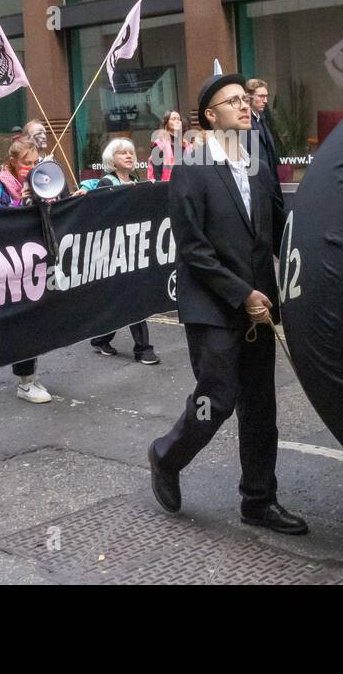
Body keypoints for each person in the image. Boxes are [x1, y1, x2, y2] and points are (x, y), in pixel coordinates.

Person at [147, 72, 307, 535]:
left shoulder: (257, 161)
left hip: (260, 302)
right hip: (214, 306)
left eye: (246, 99)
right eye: (232, 100)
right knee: (217, 397)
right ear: (210, 116)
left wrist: (304, 262)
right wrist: (242, 294)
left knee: (261, 406)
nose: (244, 105)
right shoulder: (190, 166)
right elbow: (193, 248)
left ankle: (259, 500)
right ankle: (166, 455)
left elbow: (277, 225)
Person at [0, 139, 53, 404]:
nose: (32, 168)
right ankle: (25, 381)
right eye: (26, 163)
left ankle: (30, 375)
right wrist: (17, 206)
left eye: (36, 163)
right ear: (12, 162)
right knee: (24, 322)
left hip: (36, 261)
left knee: (36, 319)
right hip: (9, 265)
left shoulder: (42, 180)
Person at [89, 139, 159, 365]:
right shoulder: (105, 183)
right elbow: (100, 217)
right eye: (122, 154)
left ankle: (101, 338)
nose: (129, 156)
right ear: (112, 159)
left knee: (125, 297)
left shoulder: (138, 181)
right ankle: (143, 349)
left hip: (135, 248)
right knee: (133, 296)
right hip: (114, 251)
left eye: (130, 152)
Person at [246, 78, 281, 185]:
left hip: (269, 179)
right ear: (249, 97)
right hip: (257, 182)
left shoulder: (263, 117)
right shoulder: (245, 122)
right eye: (261, 96)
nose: (265, 101)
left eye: (266, 96)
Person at [147, 111, 191, 183]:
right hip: (167, 187)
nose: (177, 121)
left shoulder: (187, 145)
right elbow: (157, 173)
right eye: (173, 119)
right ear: (166, 123)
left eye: (178, 119)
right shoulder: (160, 144)